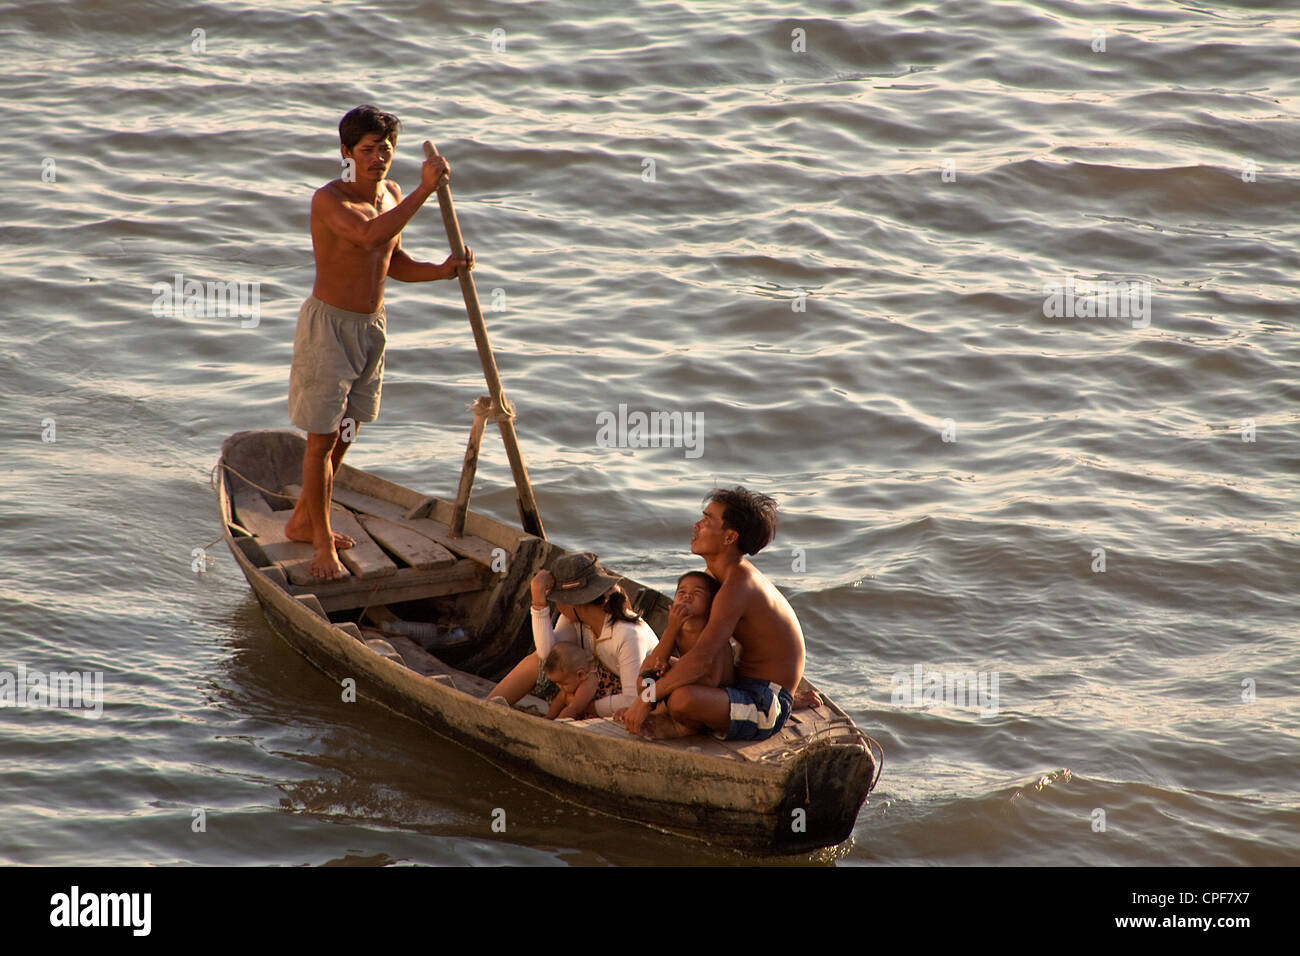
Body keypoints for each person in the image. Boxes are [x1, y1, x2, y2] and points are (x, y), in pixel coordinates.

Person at [282, 104, 473, 581]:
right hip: (330, 328)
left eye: (386, 149)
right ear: (346, 153)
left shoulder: (389, 194)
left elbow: (391, 257)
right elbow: (367, 238)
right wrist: (425, 189)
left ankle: (307, 515)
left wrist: (441, 271)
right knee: (320, 441)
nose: (378, 158)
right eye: (367, 150)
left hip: (372, 327)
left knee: (350, 428)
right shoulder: (329, 199)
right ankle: (318, 540)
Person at [622, 487, 805, 742]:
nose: (697, 525)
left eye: (707, 520)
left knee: (681, 700)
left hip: (764, 699)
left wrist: (646, 701)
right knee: (647, 678)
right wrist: (650, 689)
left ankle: (682, 726)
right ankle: (671, 713)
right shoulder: (713, 580)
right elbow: (695, 652)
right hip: (736, 682)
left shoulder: (739, 584)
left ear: (729, 537)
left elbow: (700, 660)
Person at [485, 552, 658, 719]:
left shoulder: (628, 635)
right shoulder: (576, 619)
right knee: (536, 661)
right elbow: (546, 655)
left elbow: (633, 699)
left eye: (557, 600)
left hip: (639, 701)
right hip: (596, 684)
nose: (557, 606)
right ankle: (487, 708)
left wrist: (582, 705)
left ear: (575, 602)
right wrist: (538, 601)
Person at [638, 570, 734, 691]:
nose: (687, 596)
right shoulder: (677, 629)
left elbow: (712, 681)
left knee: (682, 696)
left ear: (712, 603)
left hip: (717, 693)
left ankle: (658, 708)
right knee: (646, 674)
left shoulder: (713, 633)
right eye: (681, 592)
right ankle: (651, 705)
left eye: (697, 593)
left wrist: (674, 673)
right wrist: (671, 629)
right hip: (687, 681)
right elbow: (654, 664)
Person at [541, 642, 598, 720]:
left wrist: (557, 723)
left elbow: (574, 708)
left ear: (580, 675)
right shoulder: (573, 679)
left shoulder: (589, 681)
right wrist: (549, 717)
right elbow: (560, 699)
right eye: (557, 683)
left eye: (563, 683)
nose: (559, 686)